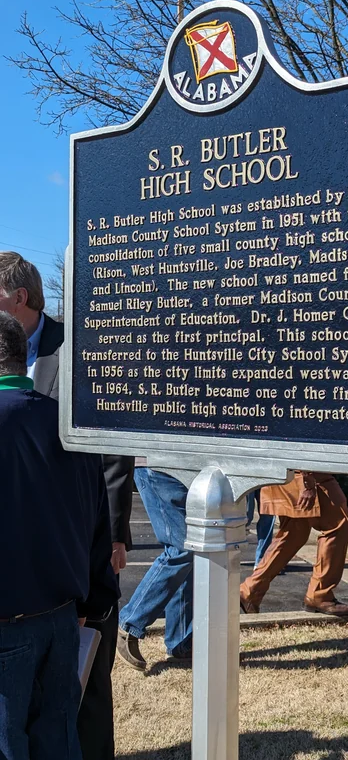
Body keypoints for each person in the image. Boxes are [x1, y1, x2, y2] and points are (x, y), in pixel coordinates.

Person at [0, 251, 133, 760]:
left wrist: (114, 533)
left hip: (74, 546)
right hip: (26, 560)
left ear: (19, 296)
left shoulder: (79, 349)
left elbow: (111, 448)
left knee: (85, 683)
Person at [240, 470, 348, 616]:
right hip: (304, 472)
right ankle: (320, 595)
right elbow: (302, 446)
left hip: (282, 470)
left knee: (295, 531)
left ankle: (250, 591)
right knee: (338, 524)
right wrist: (307, 482)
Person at [117, 467, 194, 670]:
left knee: (188, 552)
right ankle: (129, 623)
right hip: (160, 466)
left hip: (178, 466)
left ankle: (181, 642)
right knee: (182, 549)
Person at [246, 489, 275, 567]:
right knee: (245, 516)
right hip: (247, 478)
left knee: (268, 515)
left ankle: (261, 561)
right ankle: (231, 553)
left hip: (267, 479)